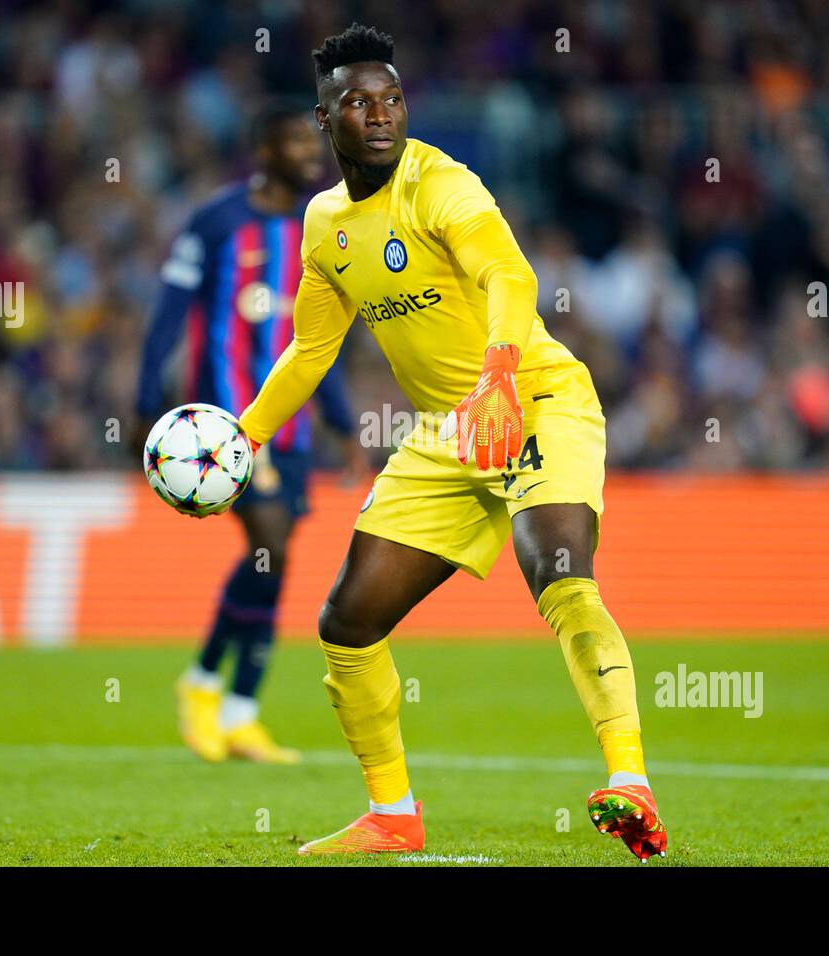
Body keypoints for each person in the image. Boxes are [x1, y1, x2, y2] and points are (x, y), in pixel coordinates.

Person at [232, 24, 668, 860]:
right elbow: (311, 349)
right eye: (358, 103)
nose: (382, 115)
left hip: (534, 400)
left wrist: (500, 370)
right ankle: (392, 814)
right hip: (450, 434)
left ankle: (630, 782)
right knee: (347, 622)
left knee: (561, 578)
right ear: (326, 121)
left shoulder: (443, 182)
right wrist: (247, 436)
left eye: (392, 99)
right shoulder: (326, 225)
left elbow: (511, 276)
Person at [136, 102, 364, 765]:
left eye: (310, 142)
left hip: (291, 430)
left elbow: (317, 343)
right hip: (223, 424)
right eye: (295, 142)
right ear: (263, 152)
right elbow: (166, 318)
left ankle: (231, 708)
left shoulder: (320, 229)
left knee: (273, 560)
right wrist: (145, 400)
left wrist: (343, 423)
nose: (310, 154)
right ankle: (212, 690)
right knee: (270, 547)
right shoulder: (214, 222)